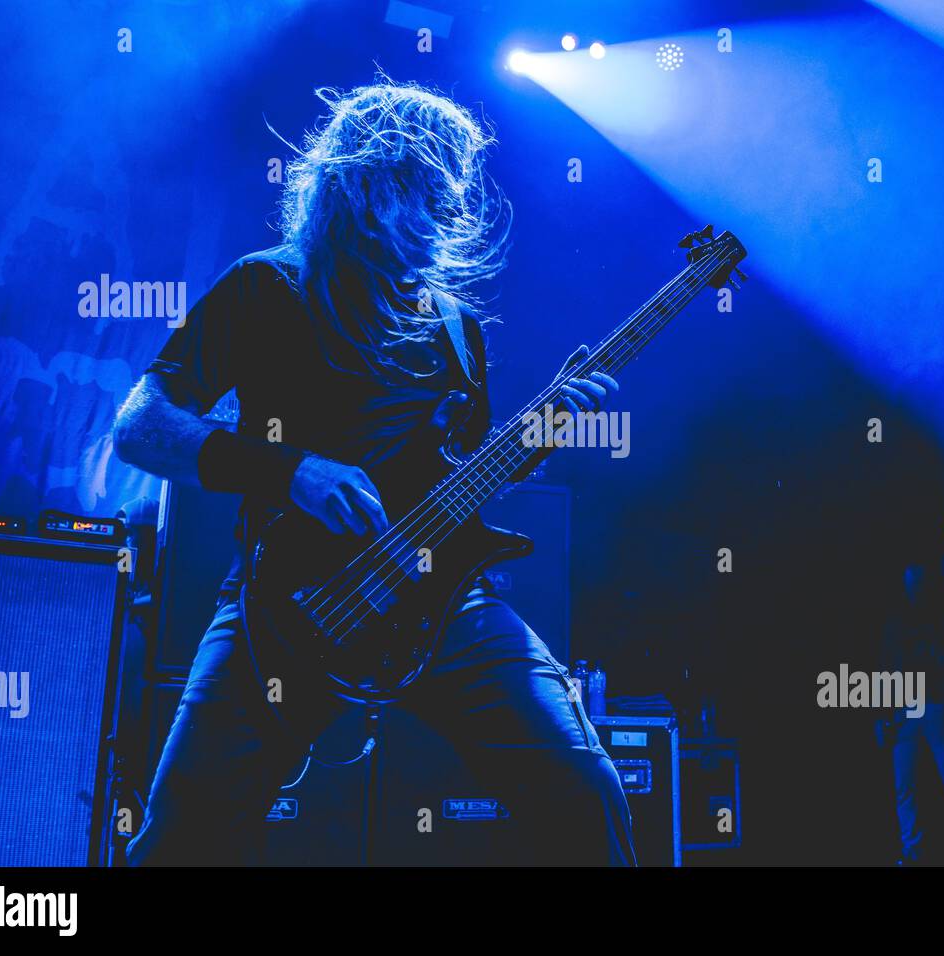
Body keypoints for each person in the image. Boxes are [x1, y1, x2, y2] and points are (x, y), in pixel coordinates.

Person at [113, 78, 635, 865]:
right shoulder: (268, 287)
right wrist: (289, 469)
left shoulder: (455, 328)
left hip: (444, 602)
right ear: (370, 185)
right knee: (181, 839)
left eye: (457, 194)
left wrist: (543, 434)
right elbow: (140, 430)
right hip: (289, 609)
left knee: (583, 786)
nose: (455, 214)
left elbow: (462, 482)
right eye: (433, 193)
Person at [881, 540, 944, 865]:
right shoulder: (897, 622)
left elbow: (943, 659)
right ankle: (915, 850)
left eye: (918, 581)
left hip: (931, 704)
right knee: (907, 787)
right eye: (910, 581)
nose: (914, 587)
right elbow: (887, 666)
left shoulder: (939, 617)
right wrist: (885, 712)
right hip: (907, 708)